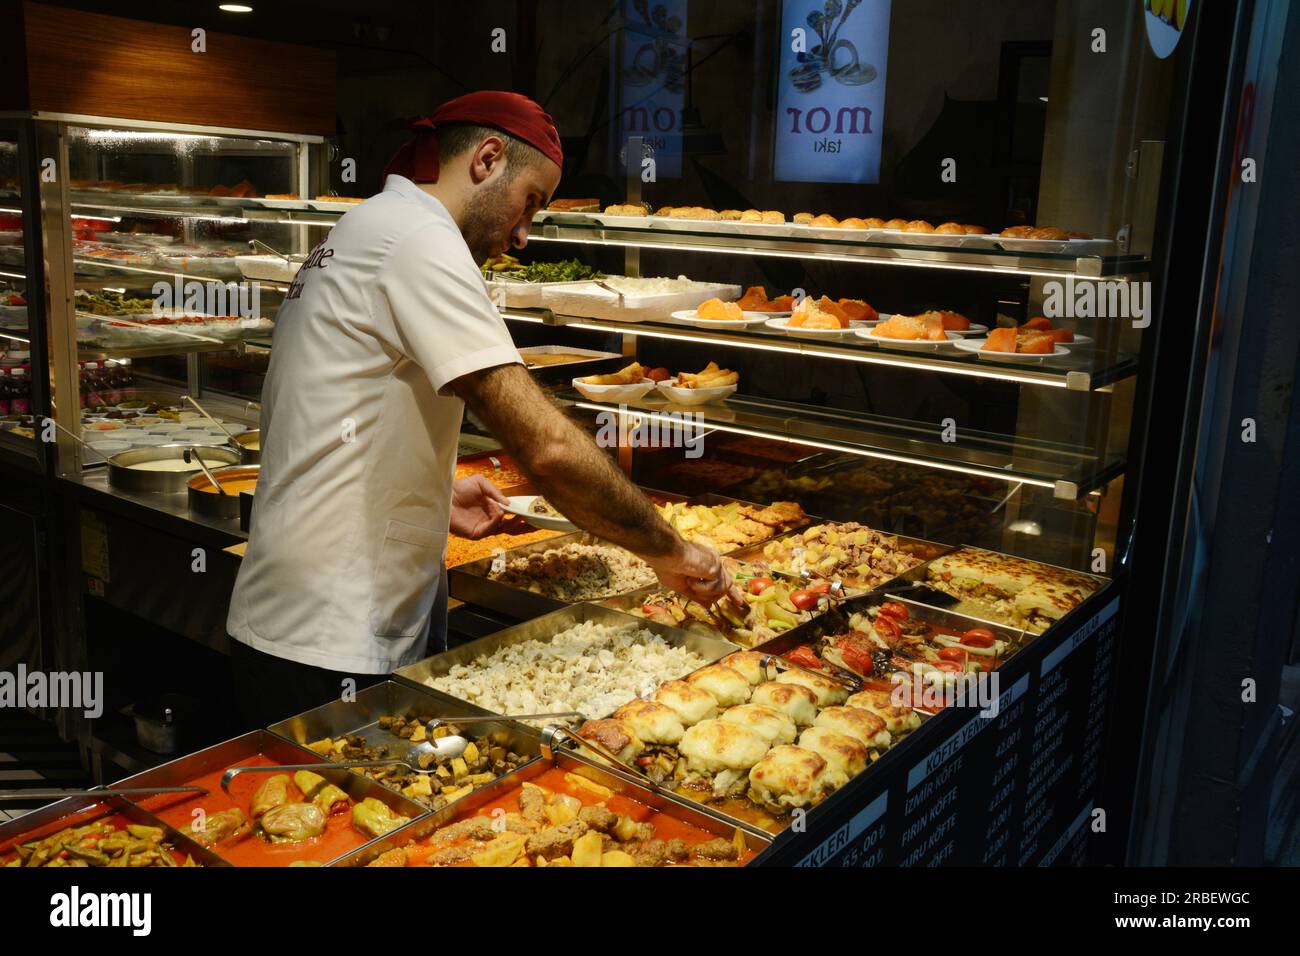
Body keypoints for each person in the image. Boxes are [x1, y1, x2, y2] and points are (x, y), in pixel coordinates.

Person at [227, 90, 733, 728]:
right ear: (488, 158)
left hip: (296, 619)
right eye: (530, 203)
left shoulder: (372, 222)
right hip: (330, 640)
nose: (522, 236)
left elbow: (341, 417)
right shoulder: (420, 240)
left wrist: (432, 494)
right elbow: (545, 448)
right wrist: (671, 549)